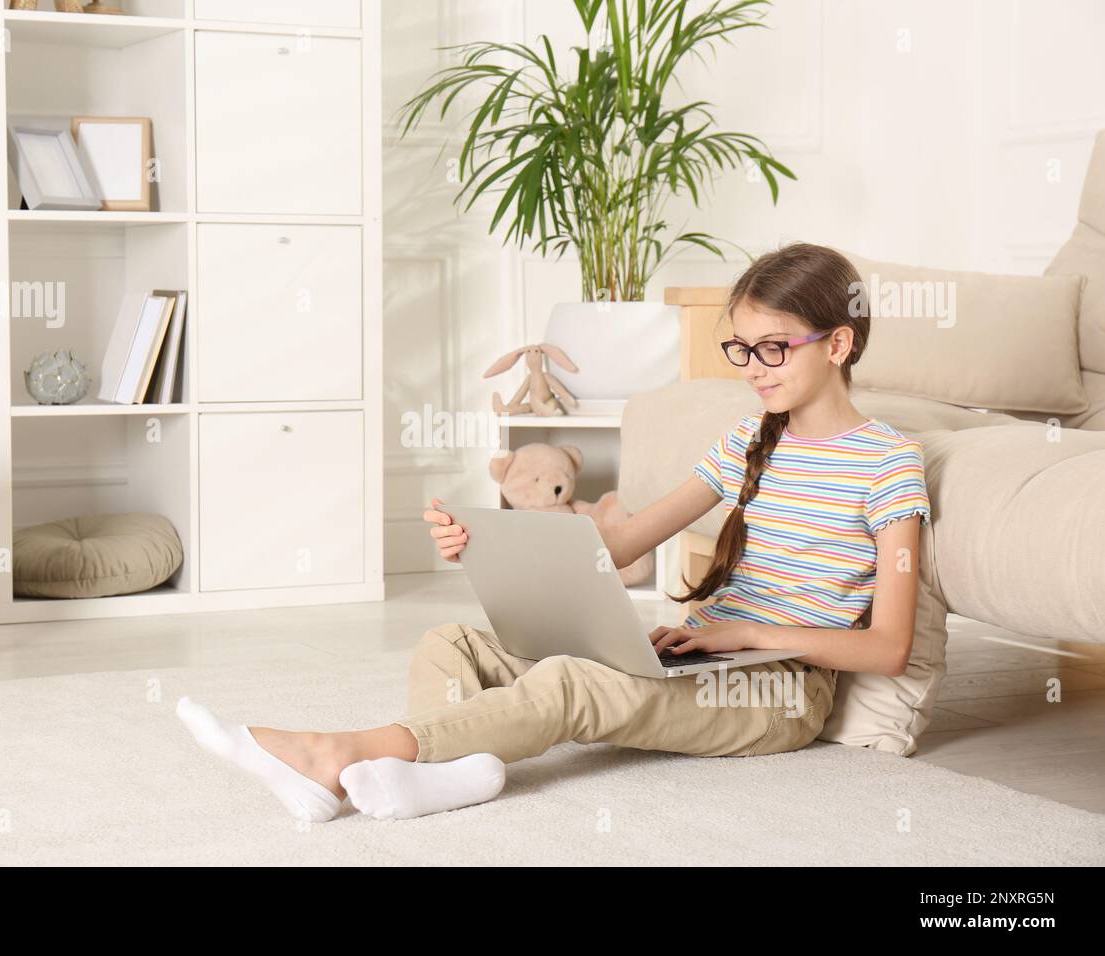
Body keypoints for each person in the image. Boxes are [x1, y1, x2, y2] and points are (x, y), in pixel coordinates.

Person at [176, 242, 932, 823]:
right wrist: (493, 545)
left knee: (568, 686)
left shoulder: (889, 465)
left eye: (774, 348)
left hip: (778, 689)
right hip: (700, 655)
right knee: (452, 643)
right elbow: (624, 546)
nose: (754, 369)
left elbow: (888, 647)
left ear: (837, 345)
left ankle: (335, 753)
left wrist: (742, 637)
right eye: (741, 349)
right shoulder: (747, 440)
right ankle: (459, 772)